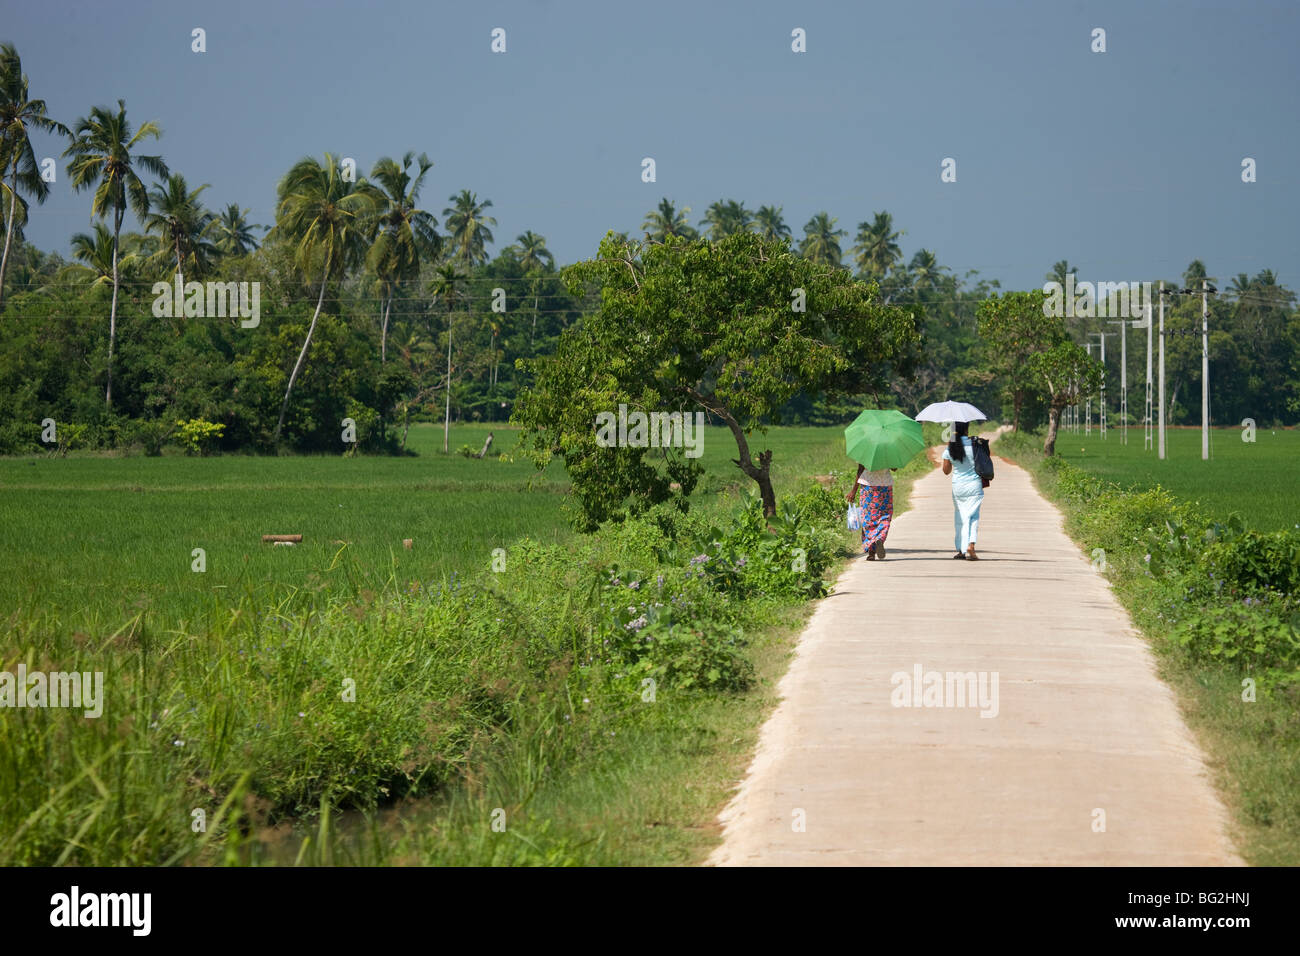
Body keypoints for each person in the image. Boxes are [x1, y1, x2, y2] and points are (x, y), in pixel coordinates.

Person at [941, 421, 983, 560]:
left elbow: (946, 471)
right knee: (973, 516)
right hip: (974, 486)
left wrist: (949, 453)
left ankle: (960, 550)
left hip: (958, 487)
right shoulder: (975, 445)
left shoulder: (950, 447)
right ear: (966, 430)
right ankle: (971, 545)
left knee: (960, 517)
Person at [846, 463, 896, 560]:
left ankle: (871, 552)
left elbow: (860, 470)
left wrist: (853, 491)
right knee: (885, 516)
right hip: (885, 487)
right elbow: (894, 468)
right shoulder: (888, 450)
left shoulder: (866, 450)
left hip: (868, 487)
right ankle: (879, 539)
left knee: (868, 518)